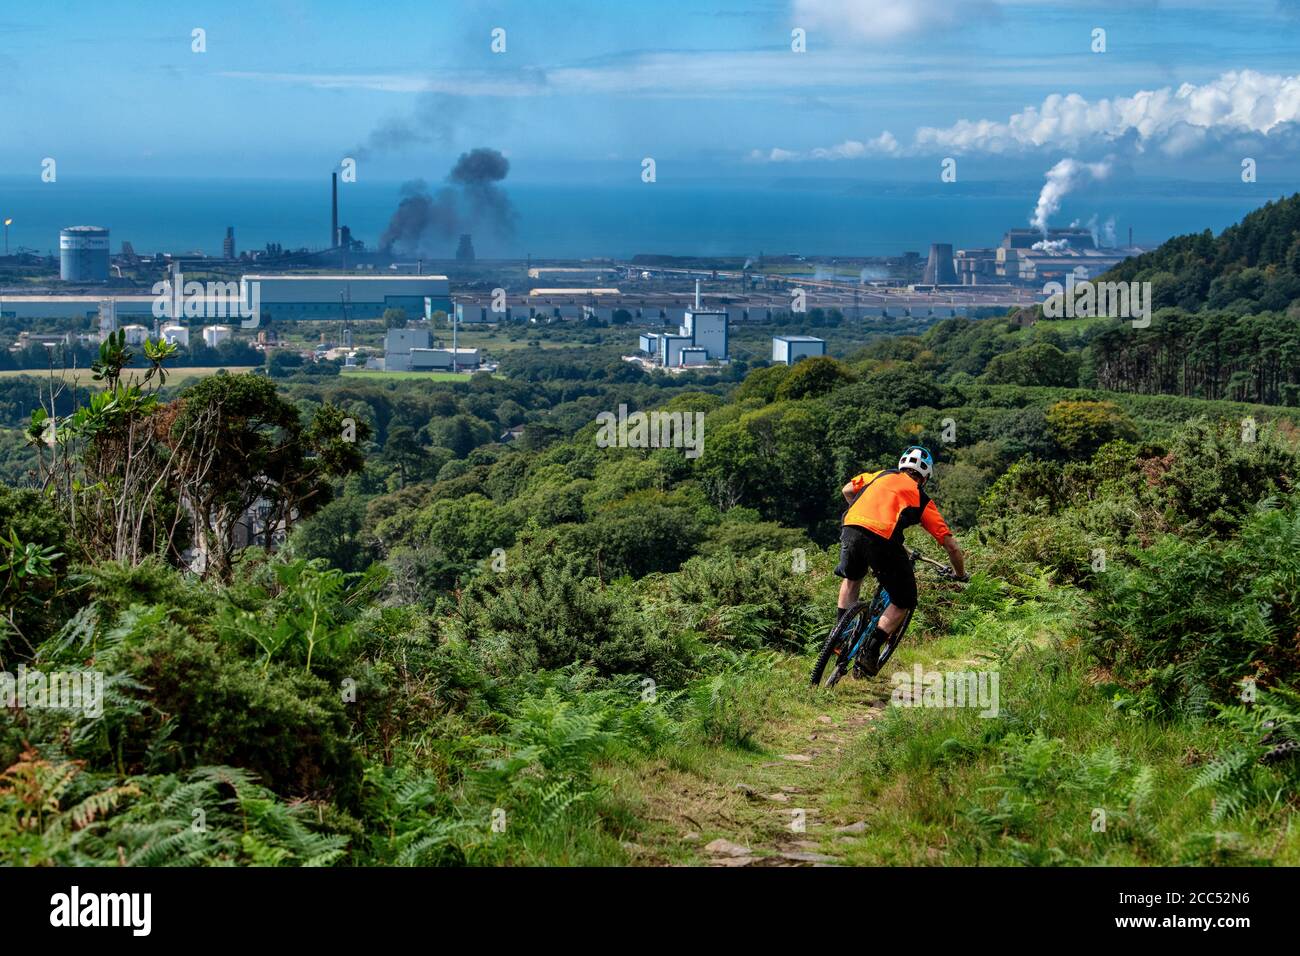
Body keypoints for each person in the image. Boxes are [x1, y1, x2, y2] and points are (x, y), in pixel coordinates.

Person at [834, 445, 967, 652]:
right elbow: (951, 546)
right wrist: (960, 574)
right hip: (882, 540)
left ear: (901, 466)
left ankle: (839, 639)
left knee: (852, 579)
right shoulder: (921, 499)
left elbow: (847, 489)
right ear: (925, 478)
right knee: (904, 600)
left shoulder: (879, 475)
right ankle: (870, 651)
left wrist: (859, 512)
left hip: (851, 526)